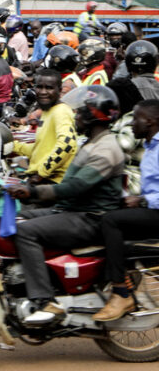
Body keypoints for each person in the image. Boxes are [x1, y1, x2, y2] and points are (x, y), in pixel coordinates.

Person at [6, 86, 125, 325]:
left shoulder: (106, 148)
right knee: (20, 216)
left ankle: (44, 301)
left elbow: (75, 187)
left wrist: (34, 191)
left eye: (81, 113)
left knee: (26, 232)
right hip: (73, 209)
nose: (76, 116)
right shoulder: (92, 142)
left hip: (90, 217)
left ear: (94, 115)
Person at [92, 99, 159, 322]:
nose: (131, 126)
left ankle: (121, 290)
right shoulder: (150, 146)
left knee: (111, 221)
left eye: (135, 120)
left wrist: (141, 200)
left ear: (150, 121)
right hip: (150, 208)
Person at [12, 69, 78, 184]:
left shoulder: (61, 111)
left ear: (60, 90)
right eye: (39, 87)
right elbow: (41, 148)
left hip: (51, 182)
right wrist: (14, 147)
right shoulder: (48, 110)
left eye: (49, 88)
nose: (43, 92)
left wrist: (42, 173)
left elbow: (67, 143)